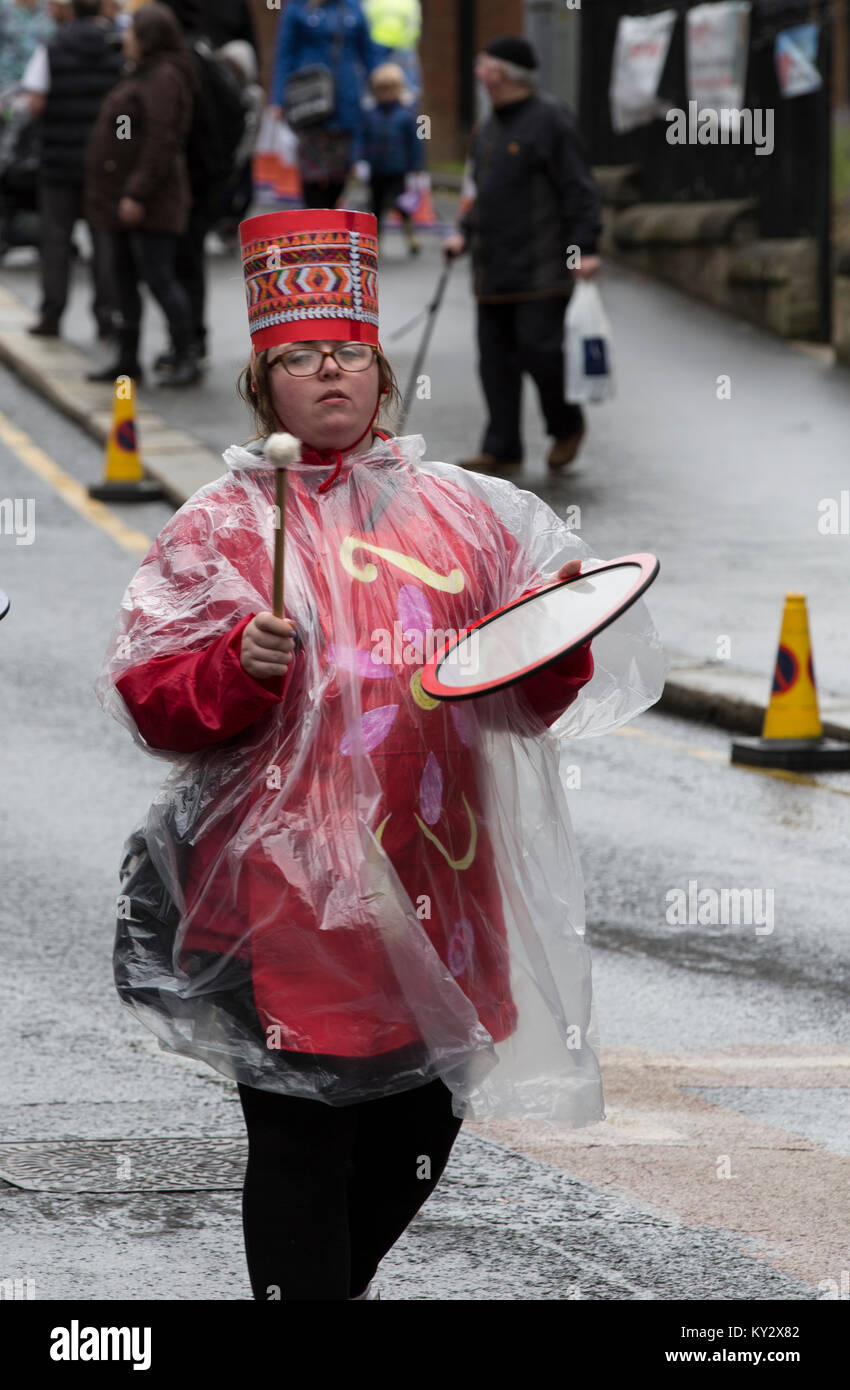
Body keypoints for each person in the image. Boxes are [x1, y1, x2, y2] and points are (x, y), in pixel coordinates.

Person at [94, 207, 666, 1301]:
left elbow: (533, 690)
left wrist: (555, 635)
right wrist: (236, 666)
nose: (329, 375)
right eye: (301, 358)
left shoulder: (469, 515)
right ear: (265, 384)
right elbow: (153, 700)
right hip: (276, 906)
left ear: (382, 372)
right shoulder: (220, 526)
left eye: (347, 354)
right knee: (304, 1137)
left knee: (421, 1125)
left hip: (438, 888)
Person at [443, 36, 603, 476]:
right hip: (491, 271)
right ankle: (503, 446)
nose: (478, 72)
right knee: (494, 362)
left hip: (542, 269)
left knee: (541, 354)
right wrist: (462, 235)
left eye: (485, 64)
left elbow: (578, 189)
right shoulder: (487, 127)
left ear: (503, 73)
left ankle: (566, 425)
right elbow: (478, 193)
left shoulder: (551, 121)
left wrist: (585, 247)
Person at [83, 1, 200, 385]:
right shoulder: (140, 73)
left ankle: (186, 355)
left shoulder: (164, 76)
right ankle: (127, 358)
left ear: (148, 36)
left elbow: (162, 139)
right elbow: (126, 130)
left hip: (151, 200)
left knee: (159, 277)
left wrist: (136, 191)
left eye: (132, 30)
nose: (125, 37)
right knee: (125, 278)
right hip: (124, 199)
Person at [22, 0, 123, 341]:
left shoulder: (52, 46)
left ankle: (52, 315)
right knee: (104, 241)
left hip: (58, 163)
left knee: (56, 241)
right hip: (104, 165)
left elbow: (34, 102)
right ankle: (106, 316)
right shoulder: (117, 45)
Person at [269, 0, 379, 210]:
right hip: (309, 102)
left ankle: (330, 221)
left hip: (345, 102)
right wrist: (277, 99)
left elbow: (369, 51)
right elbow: (284, 54)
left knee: (340, 172)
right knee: (312, 176)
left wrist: (383, 86)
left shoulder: (353, 8)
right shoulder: (297, 8)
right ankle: (314, 224)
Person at [354, 61, 423, 255]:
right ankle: (377, 240)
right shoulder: (369, 115)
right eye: (381, 89)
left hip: (398, 168)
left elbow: (416, 143)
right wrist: (359, 160)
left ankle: (410, 235)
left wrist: (417, 166)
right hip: (376, 168)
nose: (386, 94)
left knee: (401, 203)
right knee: (375, 206)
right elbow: (361, 139)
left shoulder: (407, 115)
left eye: (390, 89)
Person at [361, 0, 422, 105]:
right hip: (382, 49)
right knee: (376, 86)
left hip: (400, 48)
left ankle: (407, 114)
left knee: (407, 88)